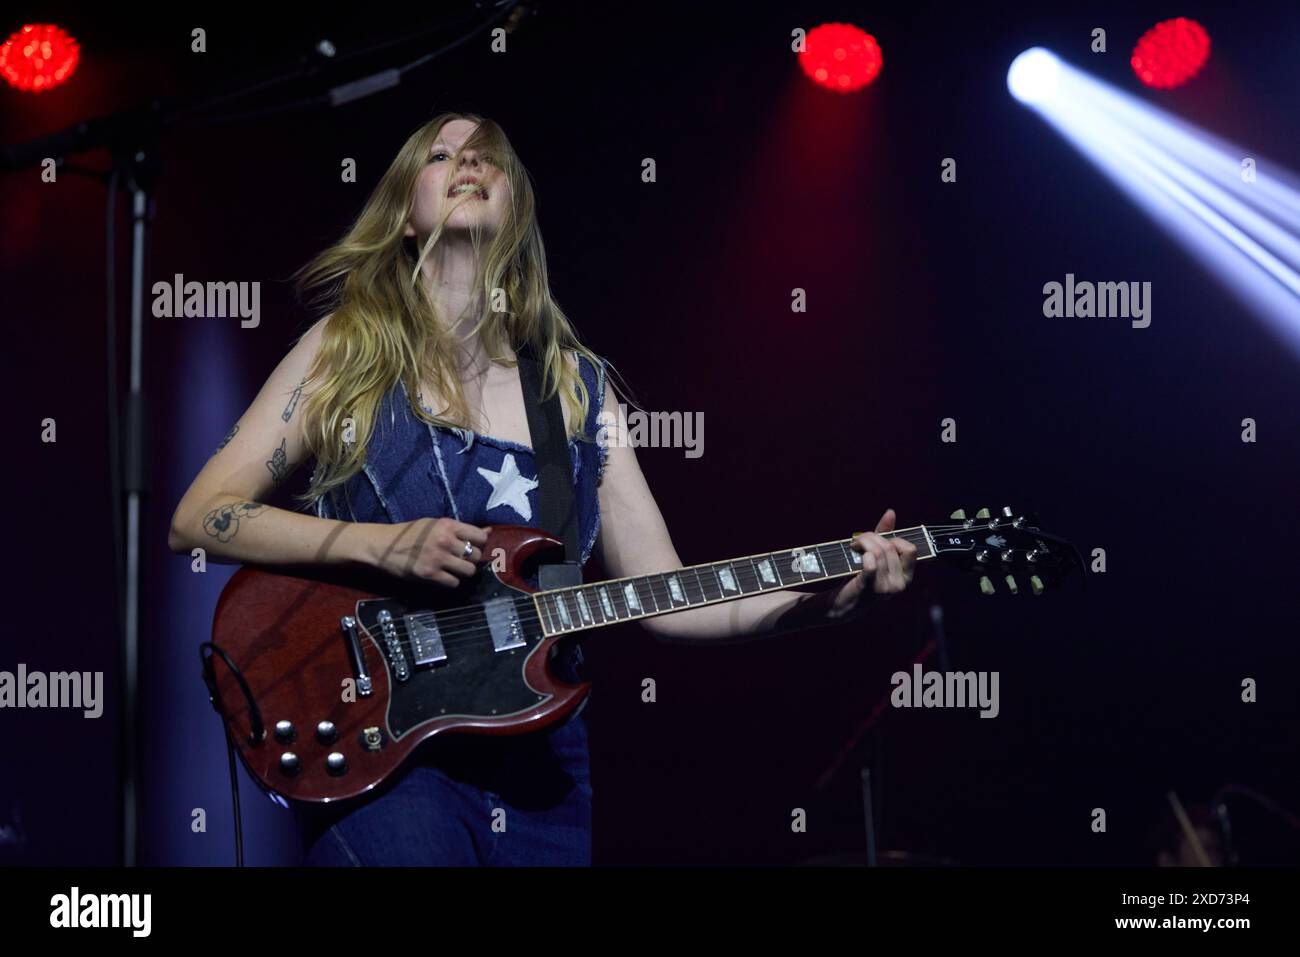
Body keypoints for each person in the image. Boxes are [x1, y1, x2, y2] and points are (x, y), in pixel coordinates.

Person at [167, 111, 918, 866]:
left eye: (486, 157)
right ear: (401, 212)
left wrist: (823, 602)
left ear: (516, 208)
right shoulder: (344, 348)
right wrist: (384, 545)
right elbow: (203, 516)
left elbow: (668, 595)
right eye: (440, 155)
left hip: (543, 767)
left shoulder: (575, 389)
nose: (467, 163)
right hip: (383, 739)